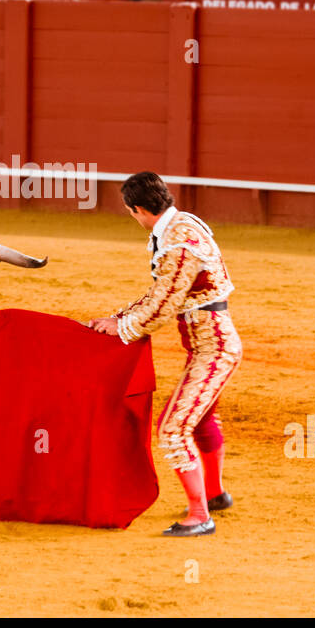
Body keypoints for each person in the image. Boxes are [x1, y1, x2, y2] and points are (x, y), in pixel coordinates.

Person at [87, 171, 240, 538]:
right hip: (210, 345)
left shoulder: (178, 241)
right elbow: (162, 293)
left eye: (132, 213)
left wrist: (122, 329)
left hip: (213, 349)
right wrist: (119, 317)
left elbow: (164, 303)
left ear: (138, 209)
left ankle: (200, 514)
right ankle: (216, 494)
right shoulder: (181, 225)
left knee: (173, 428)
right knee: (200, 421)